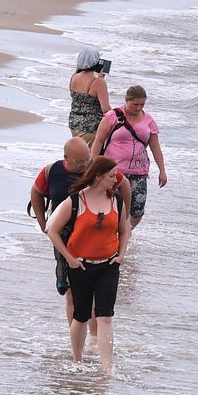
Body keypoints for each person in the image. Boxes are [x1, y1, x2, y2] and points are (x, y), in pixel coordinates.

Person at [30, 136, 131, 324]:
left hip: (94, 233)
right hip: (64, 235)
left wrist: (123, 219)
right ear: (66, 157)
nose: (86, 164)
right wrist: (44, 223)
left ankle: (92, 337)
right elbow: (36, 191)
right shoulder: (51, 171)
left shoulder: (97, 169)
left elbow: (123, 184)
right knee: (70, 291)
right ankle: (75, 334)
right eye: (81, 161)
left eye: (88, 159)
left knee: (94, 289)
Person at [44, 155, 129, 376]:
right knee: (81, 316)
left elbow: (124, 230)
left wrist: (121, 255)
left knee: (105, 317)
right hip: (80, 265)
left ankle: (107, 368)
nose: (115, 179)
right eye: (111, 176)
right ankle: (77, 360)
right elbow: (51, 231)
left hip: (109, 265)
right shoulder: (75, 201)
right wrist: (69, 258)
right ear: (99, 176)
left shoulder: (116, 201)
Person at [91, 85, 165, 231]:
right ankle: (110, 234)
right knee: (112, 206)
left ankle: (125, 232)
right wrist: (93, 166)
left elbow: (155, 147)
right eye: (135, 104)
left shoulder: (149, 121)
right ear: (126, 100)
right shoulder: (112, 116)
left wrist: (162, 170)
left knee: (137, 211)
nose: (138, 108)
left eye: (142, 104)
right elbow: (98, 141)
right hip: (114, 172)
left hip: (139, 173)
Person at [68, 47, 112, 138]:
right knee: (91, 152)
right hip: (91, 128)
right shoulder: (98, 82)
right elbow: (106, 110)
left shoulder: (74, 76)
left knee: (78, 151)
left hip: (74, 123)